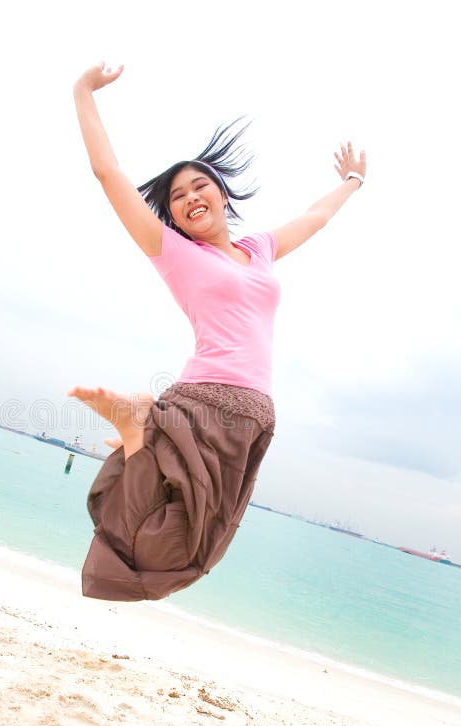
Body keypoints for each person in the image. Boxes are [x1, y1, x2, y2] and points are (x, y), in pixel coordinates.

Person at [69, 62, 366, 602]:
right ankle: (139, 432)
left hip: (253, 416)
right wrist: (83, 91)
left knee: (192, 546)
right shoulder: (174, 253)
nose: (189, 198)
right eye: (177, 197)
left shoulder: (260, 250)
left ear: (222, 194)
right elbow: (108, 173)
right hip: (208, 402)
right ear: (174, 217)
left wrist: (352, 181)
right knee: (171, 552)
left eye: (199, 185)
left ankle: (141, 433)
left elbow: (315, 216)